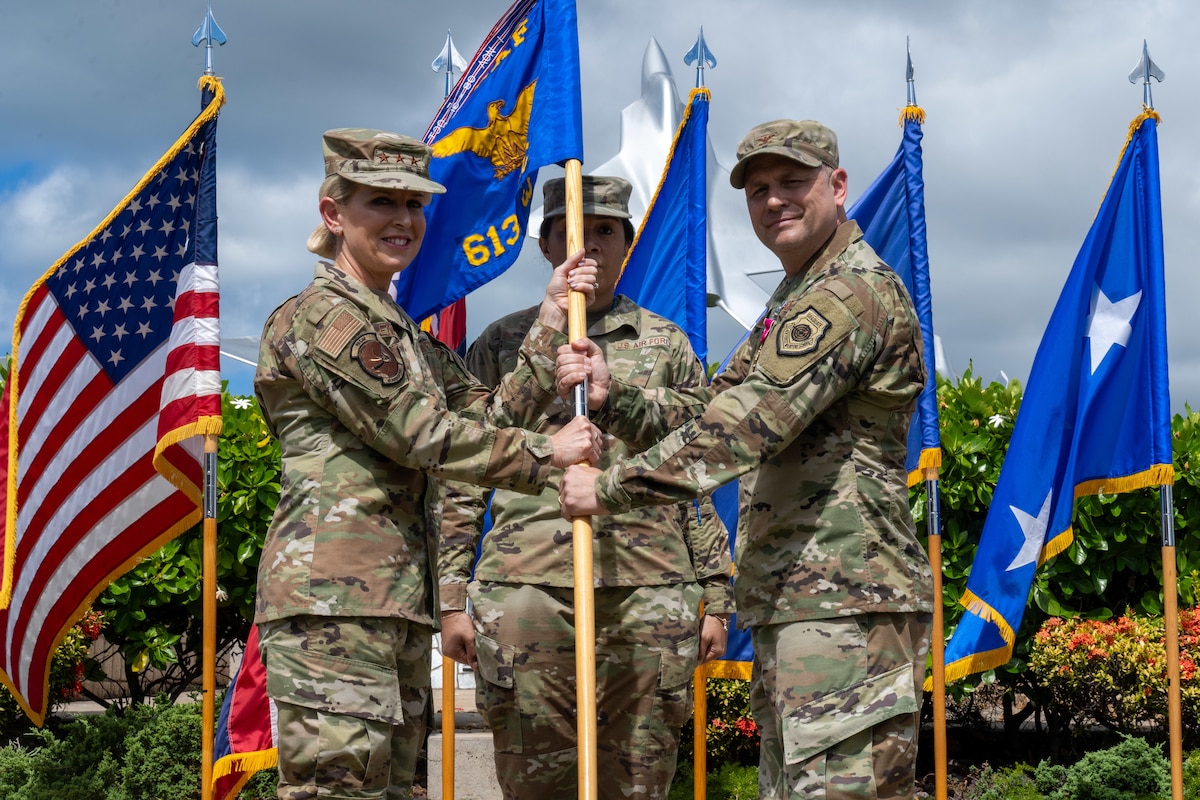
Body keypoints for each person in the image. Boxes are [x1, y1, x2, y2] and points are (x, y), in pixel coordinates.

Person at [558, 121, 935, 799]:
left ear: (837, 186)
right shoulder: (796, 298)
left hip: (845, 604)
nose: (773, 200)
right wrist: (617, 399)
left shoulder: (847, 296)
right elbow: (714, 405)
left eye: (792, 182)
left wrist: (610, 487)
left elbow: (743, 428)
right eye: (758, 190)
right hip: (805, 601)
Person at [253, 128, 603, 800]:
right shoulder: (321, 319)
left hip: (393, 604)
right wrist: (547, 454)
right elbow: (421, 435)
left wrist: (552, 314)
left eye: (414, 205)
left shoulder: (400, 333)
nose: (404, 220)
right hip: (334, 607)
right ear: (333, 213)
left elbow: (483, 418)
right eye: (382, 202)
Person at [438, 175, 735, 799]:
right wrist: (451, 596)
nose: (590, 244)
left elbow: (696, 467)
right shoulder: (501, 342)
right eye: (574, 231)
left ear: (626, 245)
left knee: (638, 778)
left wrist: (717, 592)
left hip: (649, 586)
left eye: (606, 231)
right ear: (547, 246)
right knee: (536, 778)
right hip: (526, 589)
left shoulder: (666, 344)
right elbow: (464, 470)